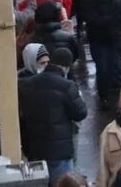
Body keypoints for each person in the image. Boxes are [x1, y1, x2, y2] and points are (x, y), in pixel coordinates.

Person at [18, 47, 87, 186]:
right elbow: (80, 113)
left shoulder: (25, 84)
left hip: (35, 149)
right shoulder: (67, 86)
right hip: (60, 152)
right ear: (67, 66)